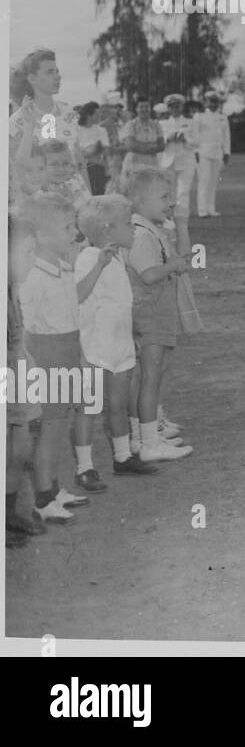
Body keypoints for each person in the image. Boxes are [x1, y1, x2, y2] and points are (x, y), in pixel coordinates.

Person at [16, 193, 91, 523]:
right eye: (66, 227)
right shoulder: (32, 275)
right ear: (41, 236)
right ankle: (43, 498)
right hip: (46, 357)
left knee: (59, 426)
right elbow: (25, 329)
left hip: (68, 349)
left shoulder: (62, 265)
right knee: (48, 428)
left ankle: (54, 486)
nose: (74, 233)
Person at [75, 195, 157, 480]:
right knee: (90, 407)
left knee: (118, 404)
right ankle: (84, 467)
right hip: (96, 347)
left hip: (120, 344)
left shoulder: (119, 256)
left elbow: (122, 301)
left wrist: (132, 332)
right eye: (127, 223)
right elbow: (79, 295)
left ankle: (122, 456)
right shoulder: (88, 258)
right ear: (107, 229)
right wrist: (98, 265)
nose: (133, 228)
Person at [125, 169, 193, 462]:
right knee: (149, 377)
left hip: (159, 313)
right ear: (140, 202)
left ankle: (148, 433)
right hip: (149, 315)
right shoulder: (142, 235)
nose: (170, 201)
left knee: (155, 374)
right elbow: (150, 275)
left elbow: (183, 259)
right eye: (164, 196)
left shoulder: (155, 230)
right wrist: (171, 267)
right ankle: (149, 442)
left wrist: (182, 224)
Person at [6, 217, 44, 546]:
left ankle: (9, 511)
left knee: (19, 448)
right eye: (26, 252)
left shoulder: (13, 291)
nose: (32, 259)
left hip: (18, 372)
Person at [9, 48, 82, 200]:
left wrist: (89, 200)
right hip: (40, 202)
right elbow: (17, 172)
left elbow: (79, 163)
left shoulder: (70, 114)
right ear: (32, 78)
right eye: (50, 72)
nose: (58, 76)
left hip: (77, 196)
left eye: (57, 71)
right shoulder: (17, 122)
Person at [192, 91, 231, 217]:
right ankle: (202, 210)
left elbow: (226, 137)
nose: (213, 103)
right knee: (204, 181)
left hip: (218, 154)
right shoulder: (199, 116)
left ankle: (211, 209)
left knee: (213, 182)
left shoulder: (223, 117)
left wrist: (226, 153)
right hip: (203, 153)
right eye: (210, 101)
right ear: (206, 102)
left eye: (215, 101)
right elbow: (195, 136)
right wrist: (195, 152)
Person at [160, 93, 197, 224]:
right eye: (172, 107)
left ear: (181, 107)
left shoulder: (190, 122)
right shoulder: (162, 124)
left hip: (186, 160)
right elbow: (159, 143)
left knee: (183, 191)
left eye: (177, 106)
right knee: (169, 191)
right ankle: (169, 219)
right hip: (168, 161)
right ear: (168, 109)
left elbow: (197, 142)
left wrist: (185, 139)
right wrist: (167, 138)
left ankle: (182, 220)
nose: (175, 109)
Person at [119, 97, 164, 182]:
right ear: (136, 109)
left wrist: (139, 145)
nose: (144, 109)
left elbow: (162, 145)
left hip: (151, 165)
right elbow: (130, 146)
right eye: (141, 107)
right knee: (134, 193)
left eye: (147, 106)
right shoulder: (131, 125)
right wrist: (152, 146)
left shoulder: (156, 125)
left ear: (150, 108)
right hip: (134, 165)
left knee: (150, 193)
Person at [78, 103, 111, 195]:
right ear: (89, 115)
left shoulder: (101, 130)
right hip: (81, 169)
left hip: (98, 169)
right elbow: (78, 152)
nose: (100, 116)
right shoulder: (77, 130)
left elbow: (106, 151)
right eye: (97, 114)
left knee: (99, 196)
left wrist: (87, 152)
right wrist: (94, 150)